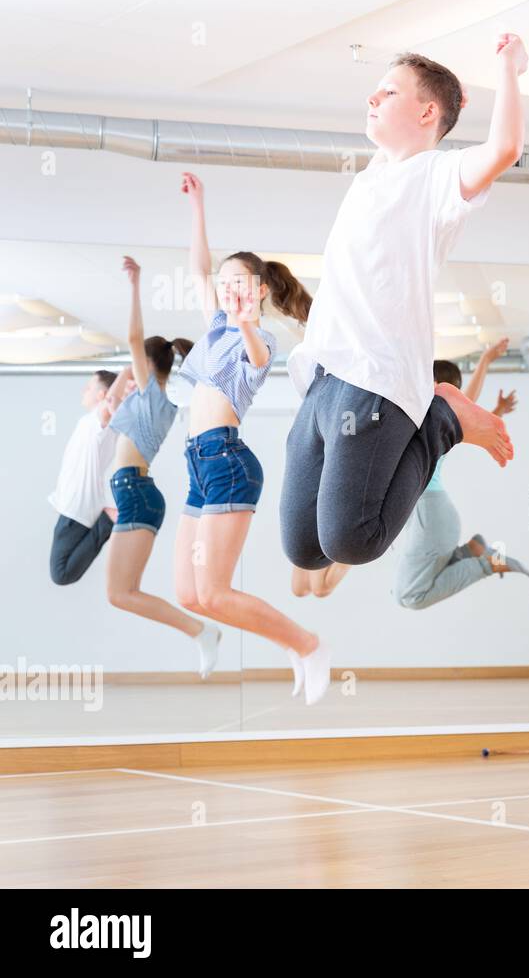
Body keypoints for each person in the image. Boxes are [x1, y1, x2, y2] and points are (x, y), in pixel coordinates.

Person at [281, 37, 525, 577]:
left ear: (426, 112)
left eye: (388, 91)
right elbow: (432, 100)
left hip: (377, 377)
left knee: (354, 541)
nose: (372, 98)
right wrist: (442, 88)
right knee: (304, 549)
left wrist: (508, 66)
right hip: (322, 376)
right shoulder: (374, 172)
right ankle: (437, 415)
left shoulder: (437, 176)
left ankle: (444, 419)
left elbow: (504, 147)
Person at [172, 172, 332, 705]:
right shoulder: (216, 326)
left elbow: (261, 360)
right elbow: (198, 269)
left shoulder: (256, 336)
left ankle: (307, 644)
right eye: (225, 283)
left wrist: (243, 322)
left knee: (213, 590)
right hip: (198, 464)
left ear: (260, 289)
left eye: (239, 282)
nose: (228, 289)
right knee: (191, 595)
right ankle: (289, 643)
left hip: (227, 462)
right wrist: (198, 204)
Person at [104, 257, 220, 667]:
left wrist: (136, 283)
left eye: (137, 367)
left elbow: (135, 338)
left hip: (136, 493)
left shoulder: (157, 393)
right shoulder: (150, 399)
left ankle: (202, 632)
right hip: (133, 492)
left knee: (121, 593)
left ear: (149, 367)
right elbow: (110, 407)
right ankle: (201, 632)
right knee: (121, 593)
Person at [394, 339, 529, 610]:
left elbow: (465, 402)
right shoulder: (432, 424)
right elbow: (468, 408)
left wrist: (487, 360)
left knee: (410, 596)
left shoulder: (427, 418)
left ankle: (484, 562)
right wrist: (487, 364)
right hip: (430, 514)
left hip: (429, 514)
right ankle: (472, 552)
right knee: (408, 594)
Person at [48, 369, 128, 585]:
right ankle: (106, 521)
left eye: (90, 387)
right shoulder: (92, 422)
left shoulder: (99, 422)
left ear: (102, 395)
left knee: (61, 574)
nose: (84, 390)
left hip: (77, 507)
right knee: (62, 573)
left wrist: (127, 372)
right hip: (76, 505)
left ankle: (107, 521)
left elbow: (112, 399)